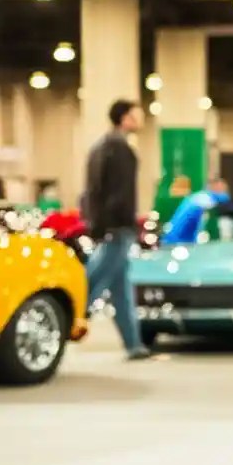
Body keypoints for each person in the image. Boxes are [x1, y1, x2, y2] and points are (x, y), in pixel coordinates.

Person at [82, 99, 150, 360]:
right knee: (93, 282)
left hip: (107, 225)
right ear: (125, 119)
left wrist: (96, 224)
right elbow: (119, 193)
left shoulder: (100, 147)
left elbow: (92, 190)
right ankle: (64, 321)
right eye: (136, 115)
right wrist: (121, 224)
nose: (140, 120)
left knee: (121, 287)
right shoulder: (120, 149)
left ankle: (133, 344)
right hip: (117, 227)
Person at [163, 179, 230, 245]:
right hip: (178, 239)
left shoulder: (197, 196)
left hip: (178, 238)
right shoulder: (203, 198)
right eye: (222, 189)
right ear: (214, 187)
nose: (224, 192)